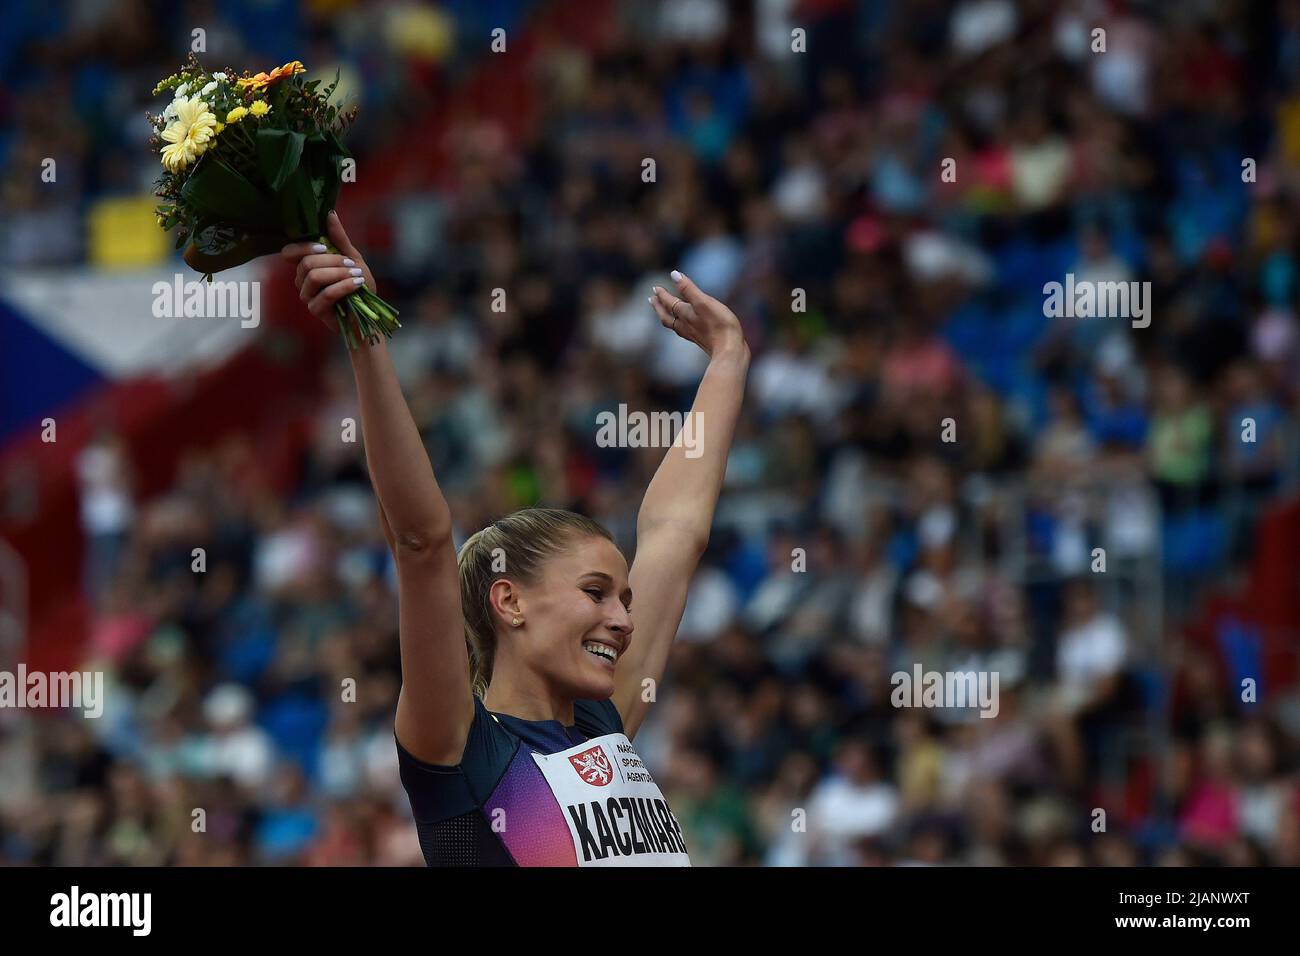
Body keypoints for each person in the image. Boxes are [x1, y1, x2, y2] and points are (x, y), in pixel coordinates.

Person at [282, 212, 750, 866]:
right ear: (510, 602)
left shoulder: (601, 723)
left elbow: (676, 531)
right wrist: (363, 332)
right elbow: (421, 542)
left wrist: (728, 358)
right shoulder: (461, 748)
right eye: (596, 593)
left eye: (624, 599)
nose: (623, 619)